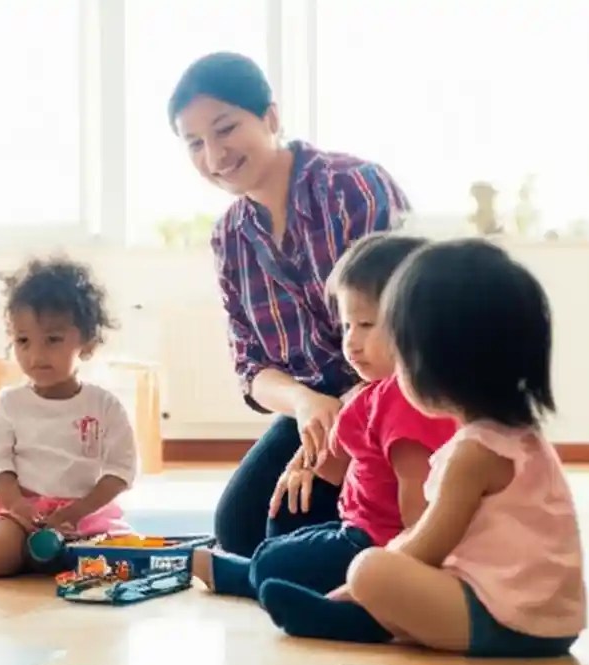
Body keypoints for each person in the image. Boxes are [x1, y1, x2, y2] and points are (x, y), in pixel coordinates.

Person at [260, 239, 586, 658]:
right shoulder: (521, 436)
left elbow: (424, 547)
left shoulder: (475, 452)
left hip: (508, 623)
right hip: (544, 619)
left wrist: (358, 586)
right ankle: (357, 619)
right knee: (379, 570)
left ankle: (353, 617)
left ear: (439, 364)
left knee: (371, 567)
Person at [168, 51, 412, 556]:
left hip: (391, 400)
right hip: (314, 411)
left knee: (290, 537)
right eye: (195, 143)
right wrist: (306, 405)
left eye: (225, 128)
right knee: (238, 531)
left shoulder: (355, 188)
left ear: (271, 118)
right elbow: (251, 366)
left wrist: (343, 421)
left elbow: (409, 330)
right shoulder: (229, 237)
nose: (214, 156)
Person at [192, 233, 457, 610]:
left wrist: (402, 576)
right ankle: (297, 583)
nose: (351, 342)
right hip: (355, 531)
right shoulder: (372, 394)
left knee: (272, 561)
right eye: (347, 326)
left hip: (377, 547)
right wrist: (305, 466)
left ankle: (246, 578)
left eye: (366, 324)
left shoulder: (408, 402)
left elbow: (416, 516)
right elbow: (332, 463)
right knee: (281, 532)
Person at [0, 256, 138, 577]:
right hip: (21, 515)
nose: (36, 355)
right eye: (23, 341)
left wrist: (77, 511)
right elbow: (0, 467)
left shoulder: (105, 405)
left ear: (87, 343)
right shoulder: (11, 403)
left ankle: (37, 557)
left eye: (53, 340)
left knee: (119, 562)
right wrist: (17, 506)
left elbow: (120, 471)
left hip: (86, 517)